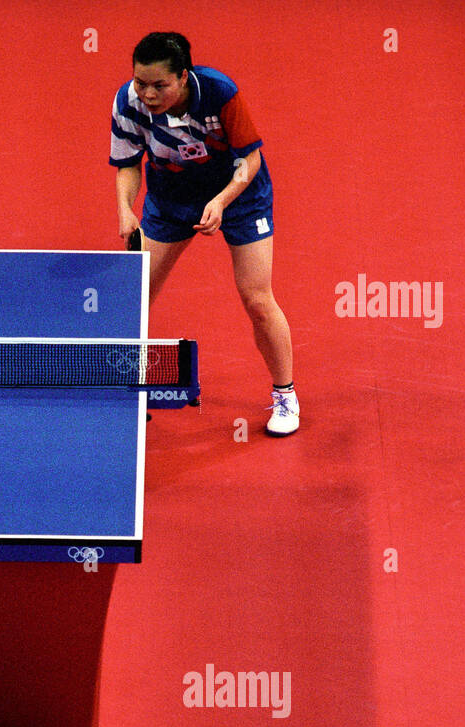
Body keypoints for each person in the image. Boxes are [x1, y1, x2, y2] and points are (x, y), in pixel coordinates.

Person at [112, 31, 299, 436]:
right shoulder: (127, 100)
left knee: (257, 298)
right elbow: (127, 162)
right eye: (141, 83)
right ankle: (130, 389)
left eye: (159, 85)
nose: (147, 93)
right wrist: (126, 209)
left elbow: (250, 158)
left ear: (183, 77)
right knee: (134, 298)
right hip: (169, 201)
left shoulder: (219, 92)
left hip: (240, 194)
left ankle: (285, 395)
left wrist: (221, 201)